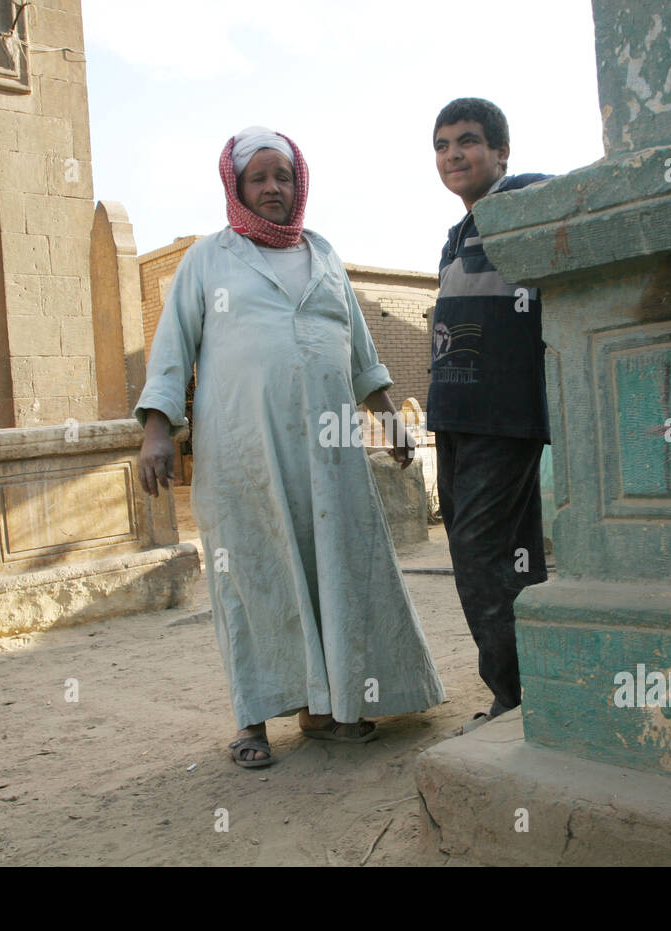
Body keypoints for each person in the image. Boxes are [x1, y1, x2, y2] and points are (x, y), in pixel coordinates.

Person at [135, 126, 445, 768]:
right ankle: (251, 722)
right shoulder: (207, 260)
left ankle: (331, 710)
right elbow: (171, 350)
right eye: (260, 178)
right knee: (252, 576)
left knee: (336, 569)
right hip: (246, 452)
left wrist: (386, 416)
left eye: (285, 176)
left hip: (330, 453)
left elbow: (361, 348)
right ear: (236, 186)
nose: (275, 188)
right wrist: (157, 428)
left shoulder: (325, 253)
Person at [429, 98, 551, 734]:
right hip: (456, 418)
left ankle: (512, 698)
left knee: (477, 553)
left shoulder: (521, 201)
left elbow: (568, 193)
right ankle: (539, 692)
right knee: (514, 555)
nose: (454, 154)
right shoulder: (457, 235)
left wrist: (523, 188)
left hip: (503, 417)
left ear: (501, 152)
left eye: (469, 141)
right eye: (443, 145)